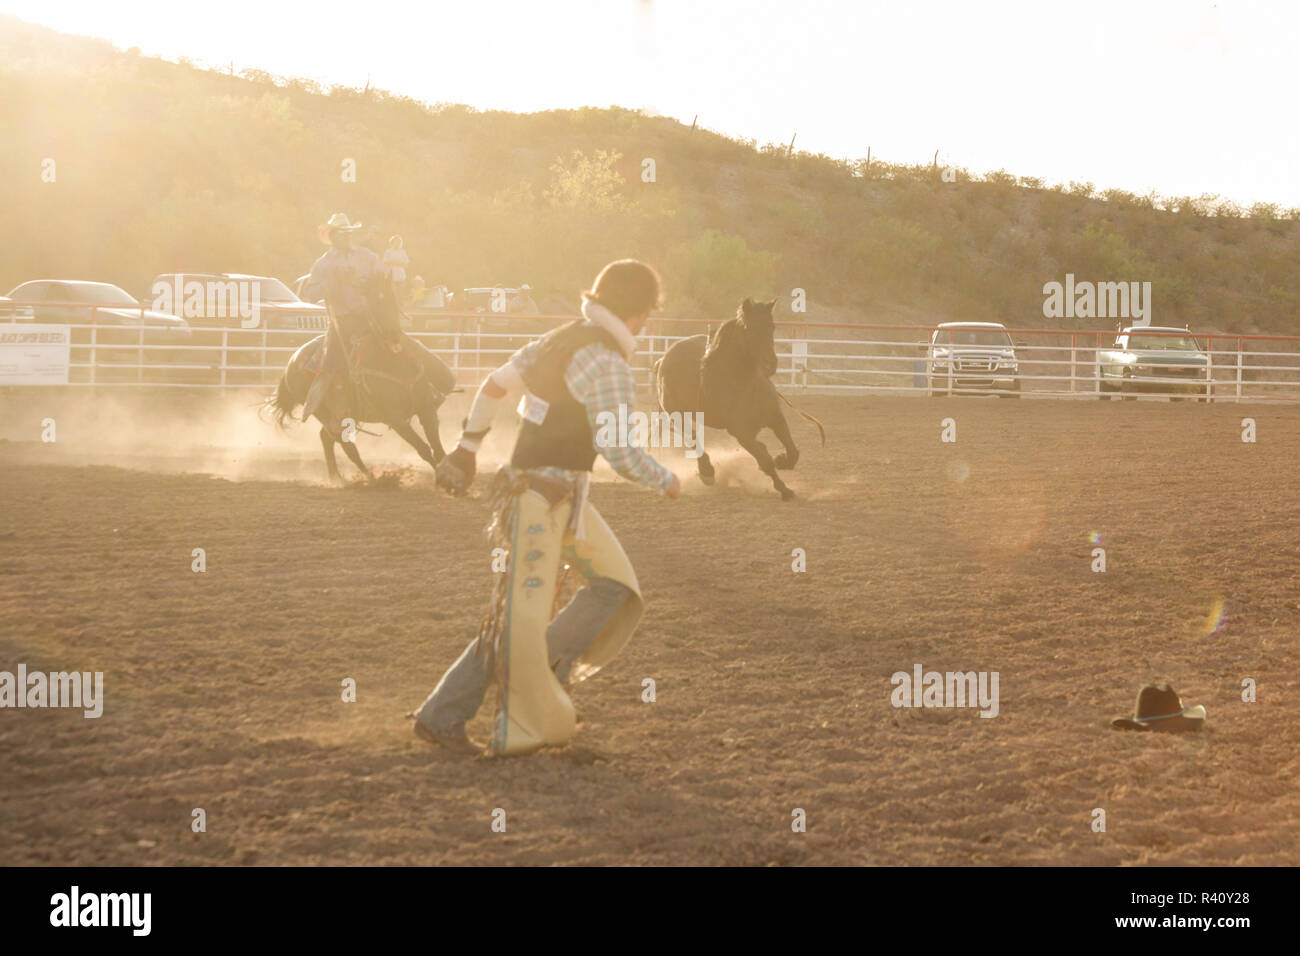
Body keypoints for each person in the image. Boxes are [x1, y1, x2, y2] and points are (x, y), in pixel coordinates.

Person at [412, 259, 681, 756]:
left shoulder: (558, 341)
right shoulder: (609, 364)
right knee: (523, 621)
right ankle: (444, 716)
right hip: (545, 501)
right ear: (637, 313)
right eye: (646, 312)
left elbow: (494, 385)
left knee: (609, 588)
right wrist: (665, 480)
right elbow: (620, 452)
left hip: (545, 495)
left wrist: (469, 447)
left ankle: (537, 675)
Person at [383, 235, 410, 303]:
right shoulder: (388, 251)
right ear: (392, 242)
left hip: (401, 274)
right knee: (393, 291)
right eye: (396, 241)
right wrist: (395, 262)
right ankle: (393, 304)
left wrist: (396, 262)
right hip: (391, 274)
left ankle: (401, 304)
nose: (398, 243)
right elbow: (385, 262)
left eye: (399, 242)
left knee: (401, 291)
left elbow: (406, 264)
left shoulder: (403, 252)